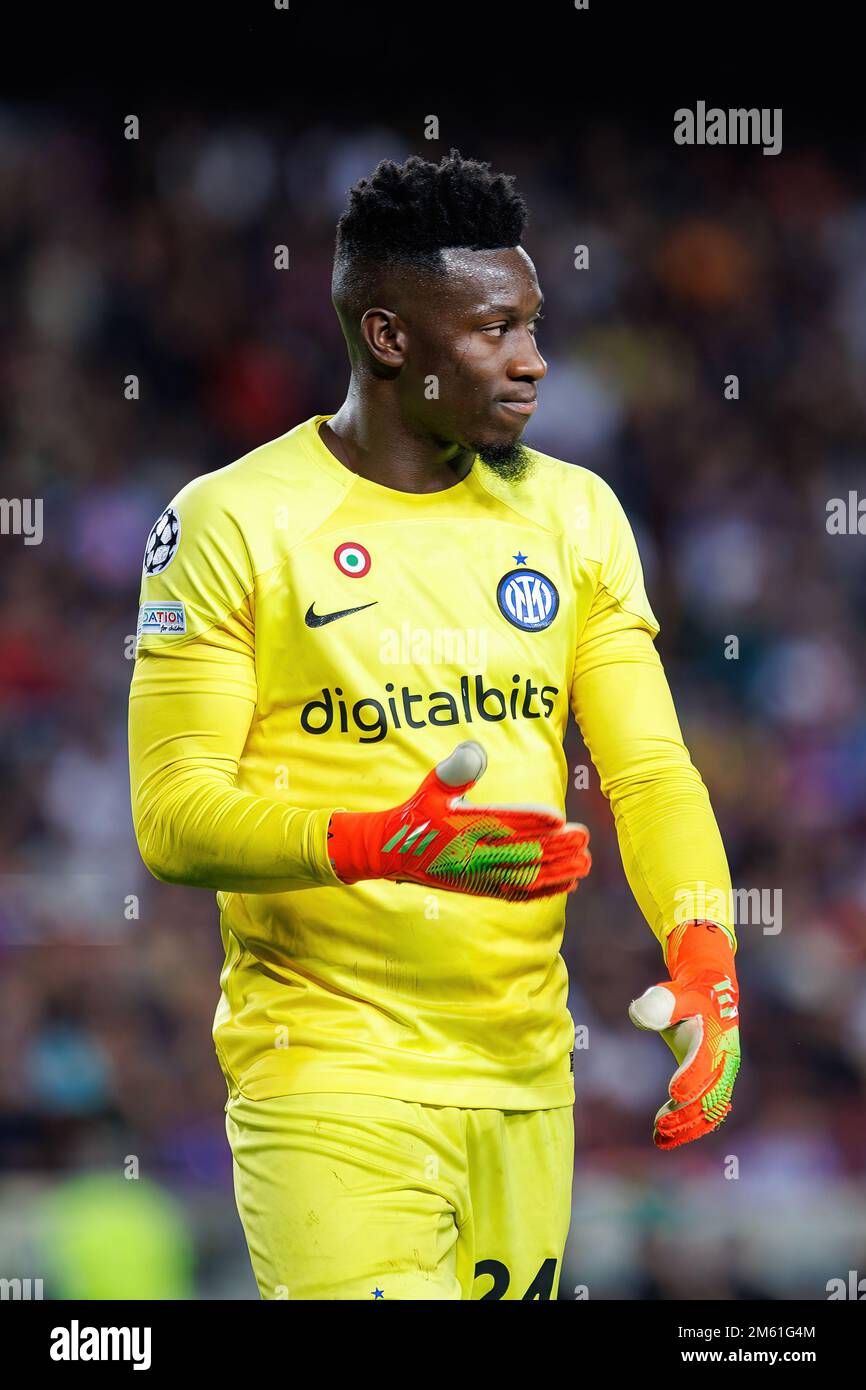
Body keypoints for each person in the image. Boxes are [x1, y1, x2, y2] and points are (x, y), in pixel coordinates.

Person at [128, 148, 740, 1301]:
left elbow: (649, 771)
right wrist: (377, 843)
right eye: (495, 329)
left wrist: (703, 953)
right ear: (389, 338)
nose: (533, 360)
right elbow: (170, 817)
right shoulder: (231, 523)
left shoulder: (575, 515)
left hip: (526, 1082)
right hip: (329, 1076)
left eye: (532, 324)